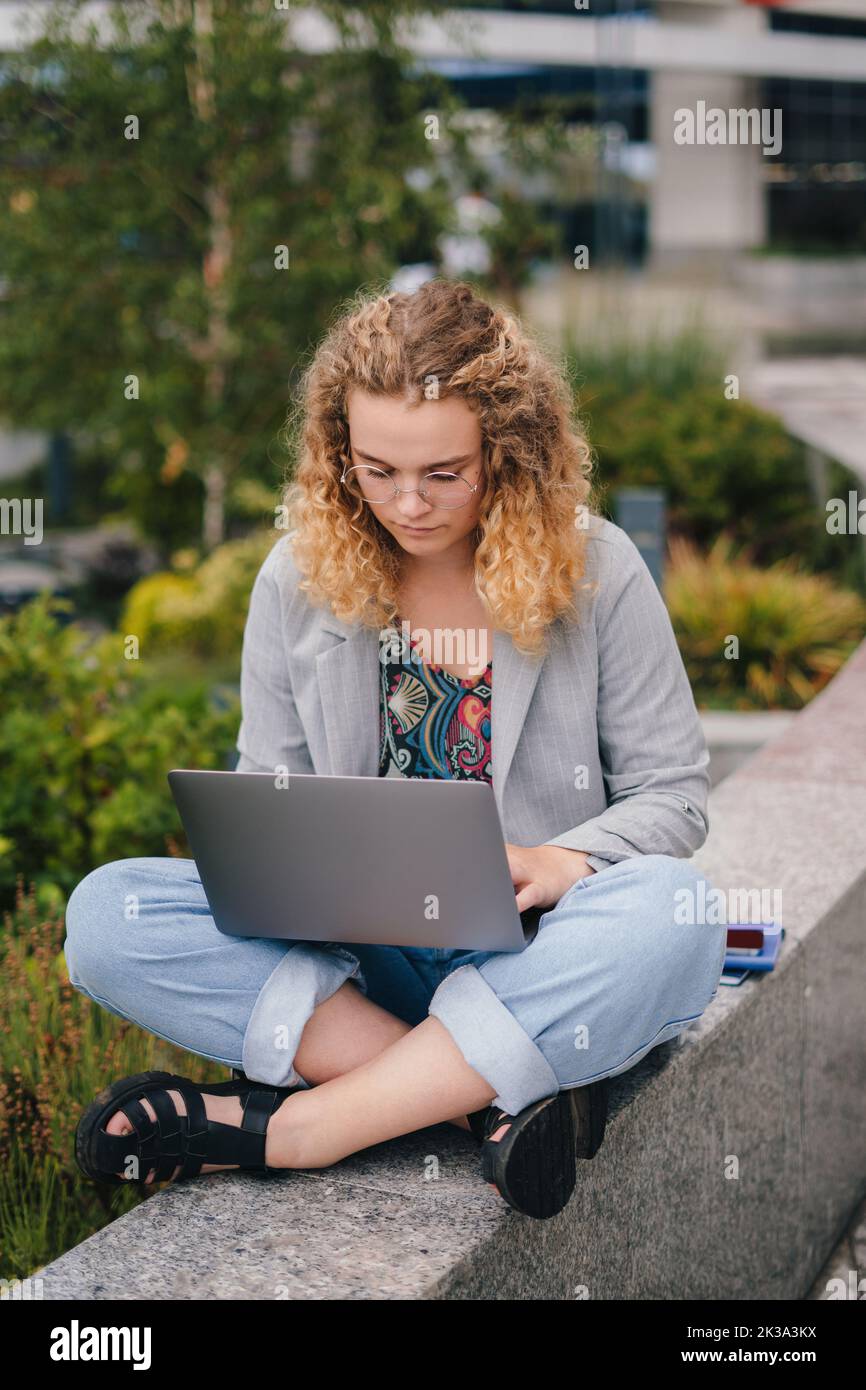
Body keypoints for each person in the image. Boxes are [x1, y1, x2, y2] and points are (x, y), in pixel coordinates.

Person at [64, 279, 726, 1221]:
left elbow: (675, 796)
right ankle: (478, 1103)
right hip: (363, 963)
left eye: (444, 473)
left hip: (536, 956)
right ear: (341, 456)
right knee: (106, 915)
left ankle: (300, 1129)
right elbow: (273, 793)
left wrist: (557, 860)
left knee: (678, 912)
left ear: (509, 450)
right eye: (377, 471)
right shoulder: (297, 576)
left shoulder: (600, 569)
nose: (408, 504)